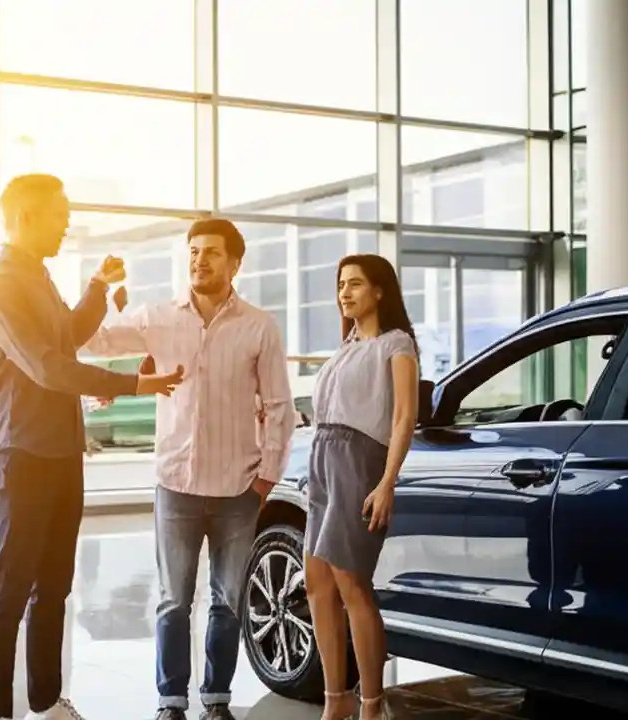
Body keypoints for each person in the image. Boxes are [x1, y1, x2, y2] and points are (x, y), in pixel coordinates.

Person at [0, 173, 185, 720]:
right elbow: (46, 366)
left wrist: (95, 288)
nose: (67, 223)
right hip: (20, 450)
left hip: (61, 448)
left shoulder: (38, 278)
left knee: (56, 584)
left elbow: (67, 335)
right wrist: (132, 385)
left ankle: (45, 703)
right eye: (59, 214)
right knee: (12, 585)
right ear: (24, 217)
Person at [83, 218, 296, 720]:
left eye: (212, 252)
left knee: (228, 602)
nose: (200, 259)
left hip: (237, 488)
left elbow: (280, 405)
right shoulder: (157, 317)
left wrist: (266, 475)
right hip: (175, 484)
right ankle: (170, 703)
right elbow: (94, 343)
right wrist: (98, 289)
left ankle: (217, 701)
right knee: (172, 602)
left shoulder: (259, 326)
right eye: (194, 251)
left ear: (235, 262)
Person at [305, 254, 419, 720]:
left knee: (352, 583)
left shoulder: (397, 344)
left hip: (360, 462)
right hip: (321, 459)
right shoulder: (347, 346)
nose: (344, 293)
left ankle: (372, 704)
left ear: (379, 291)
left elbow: (404, 417)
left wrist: (387, 482)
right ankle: (337, 700)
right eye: (340, 285)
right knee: (316, 582)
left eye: (354, 284)